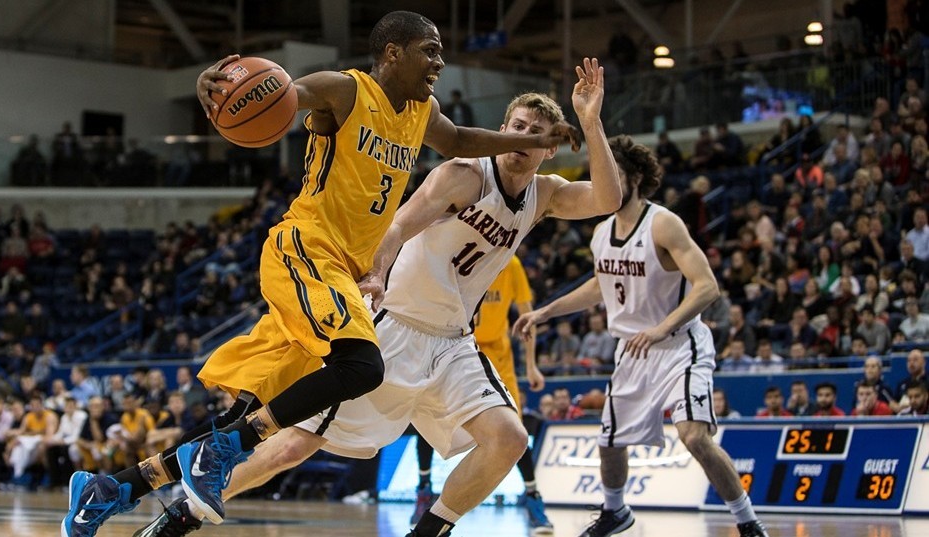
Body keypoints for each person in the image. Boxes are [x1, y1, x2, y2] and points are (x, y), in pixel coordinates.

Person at [62, 11, 582, 537]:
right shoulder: (345, 91)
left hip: (342, 275)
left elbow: (459, 141)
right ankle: (214, 456)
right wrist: (219, 90)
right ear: (393, 52)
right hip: (308, 249)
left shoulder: (423, 111)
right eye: (429, 50)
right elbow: (285, 91)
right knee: (362, 366)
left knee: (252, 407)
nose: (439, 61)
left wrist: (527, 144)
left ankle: (111, 490)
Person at [513, 137, 769, 536]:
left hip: (679, 344)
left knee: (694, 437)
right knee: (609, 438)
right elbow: (600, 286)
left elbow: (707, 287)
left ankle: (748, 522)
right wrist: (546, 311)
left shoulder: (662, 223)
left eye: (612, 173)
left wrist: (661, 328)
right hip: (633, 349)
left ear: (634, 178)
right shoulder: (600, 233)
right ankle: (615, 511)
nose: (605, 183)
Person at [412, 256, 554, 532]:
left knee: (514, 431)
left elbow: (526, 315)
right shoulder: (465, 252)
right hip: (458, 350)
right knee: (426, 422)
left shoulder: (511, 265)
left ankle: (533, 496)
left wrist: (532, 365)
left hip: (499, 357)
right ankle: (424, 490)